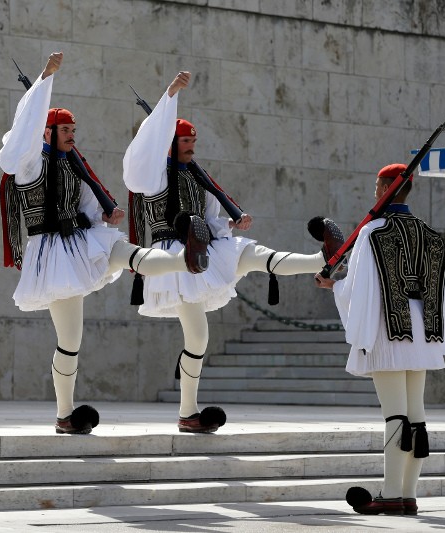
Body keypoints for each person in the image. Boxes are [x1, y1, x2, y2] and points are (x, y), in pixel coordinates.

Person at [0, 53, 209, 435]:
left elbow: (87, 204)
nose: (72, 138)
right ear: (46, 134)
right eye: (66, 132)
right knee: (70, 340)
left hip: (83, 239)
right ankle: (65, 414)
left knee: (128, 253)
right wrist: (45, 80)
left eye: (72, 132)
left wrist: (104, 216)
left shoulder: (72, 166)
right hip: (53, 253)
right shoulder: (29, 164)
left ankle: (187, 260)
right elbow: (23, 130)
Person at [123, 71, 344, 433]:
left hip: (205, 246)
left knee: (255, 255)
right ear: (169, 143)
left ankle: (322, 260)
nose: (193, 146)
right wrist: (169, 97)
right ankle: (188, 411)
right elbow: (142, 152)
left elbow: (211, 215)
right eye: (186, 142)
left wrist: (230, 225)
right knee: (198, 338)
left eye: (195, 141)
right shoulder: (152, 175)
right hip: (174, 259)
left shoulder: (196, 174)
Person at [314, 163, 445, 516]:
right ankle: (408, 495)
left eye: (378, 185)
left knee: (395, 415)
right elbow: (442, 292)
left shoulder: (373, 232)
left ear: (387, 188)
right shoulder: (431, 234)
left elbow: (361, 290)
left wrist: (335, 284)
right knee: (416, 415)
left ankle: (391, 495)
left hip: (390, 331)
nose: (375, 190)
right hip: (426, 332)